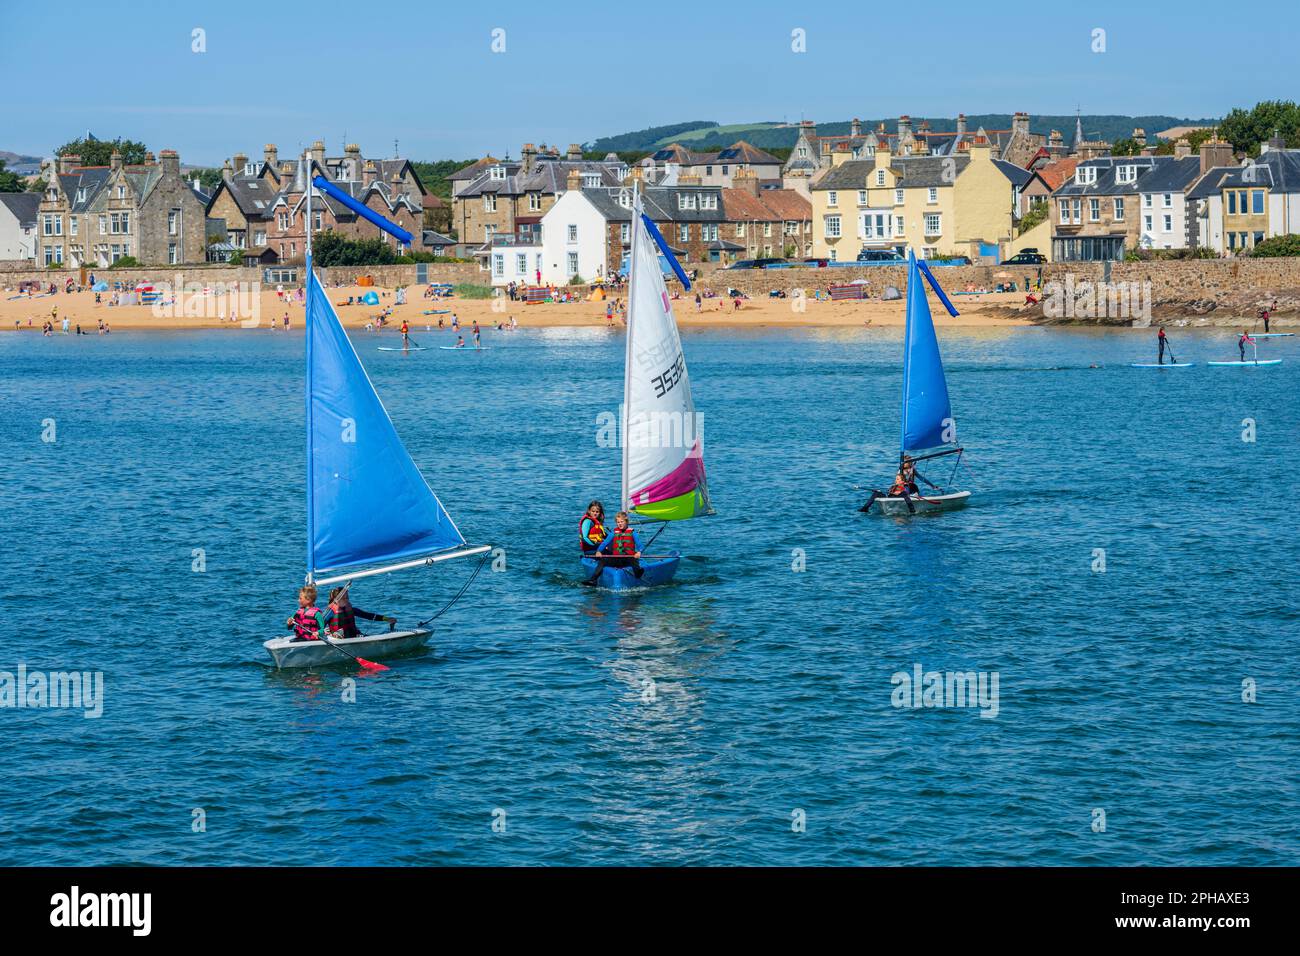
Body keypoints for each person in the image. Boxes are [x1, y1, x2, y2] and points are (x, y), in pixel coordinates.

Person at [584, 510, 643, 585]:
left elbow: (640, 545)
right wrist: (598, 551)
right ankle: (593, 579)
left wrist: (639, 552)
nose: (620, 524)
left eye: (622, 522)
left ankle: (638, 573)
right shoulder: (613, 533)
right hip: (617, 559)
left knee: (633, 559)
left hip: (628, 559)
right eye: (618, 522)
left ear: (626, 521)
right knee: (603, 560)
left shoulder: (633, 533)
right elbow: (605, 543)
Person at [326, 587, 396, 639]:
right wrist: (320, 632)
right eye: (343, 598)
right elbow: (320, 623)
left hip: (355, 637)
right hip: (338, 640)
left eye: (347, 597)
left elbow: (367, 615)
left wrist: (386, 619)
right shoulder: (330, 612)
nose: (346, 599)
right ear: (335, 599)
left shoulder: (351, 610)